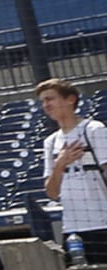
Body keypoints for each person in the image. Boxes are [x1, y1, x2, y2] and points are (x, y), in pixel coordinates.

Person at [40, 78, 107, 250]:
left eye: (50, 99)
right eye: (43, 101)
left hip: (103, 221)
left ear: (71, 99)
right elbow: (52, 193)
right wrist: (60, 164)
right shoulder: (50, 141)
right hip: (73, 228)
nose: (46, 105)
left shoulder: (93, 129)